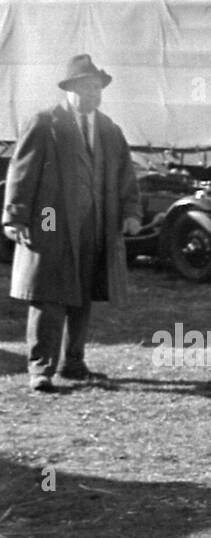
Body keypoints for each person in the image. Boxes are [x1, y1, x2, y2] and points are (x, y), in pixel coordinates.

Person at [3, 54, 141, 391]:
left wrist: (131, 213)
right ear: (71, 89)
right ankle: (41, 369)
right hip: (50, 218)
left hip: (95, 224)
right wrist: (16, 216)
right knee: (48, 291)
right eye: (88, 88)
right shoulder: (45, 123)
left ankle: (74, 362)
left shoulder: (109, 129)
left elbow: (126, 176)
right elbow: (22, 172)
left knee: (83, 292)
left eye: (98, 89)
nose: (95, 95)